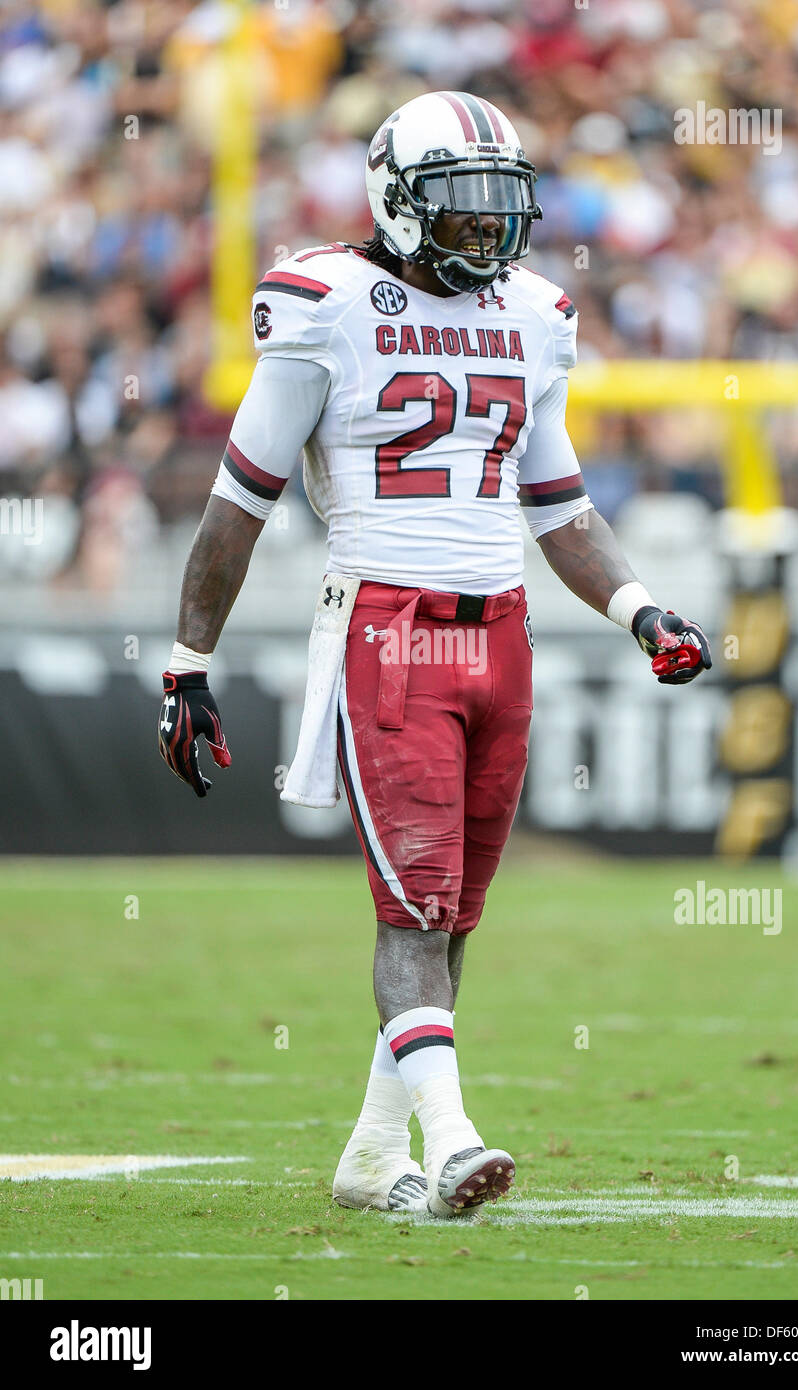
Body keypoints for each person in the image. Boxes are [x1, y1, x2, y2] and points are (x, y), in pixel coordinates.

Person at [157, 91, 711, 1219]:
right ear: (398, 203)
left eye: (497, 207)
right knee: (411, 908)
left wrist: (643, 611)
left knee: (452, 914)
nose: (484, 231)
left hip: (503, 630)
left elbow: (559, 512)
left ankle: (371, 1153)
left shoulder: (535, 315)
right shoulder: (324, 303)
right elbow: (236, 504)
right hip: (387, 625)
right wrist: (184, 660)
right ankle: (452, 1139)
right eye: (458, 207)